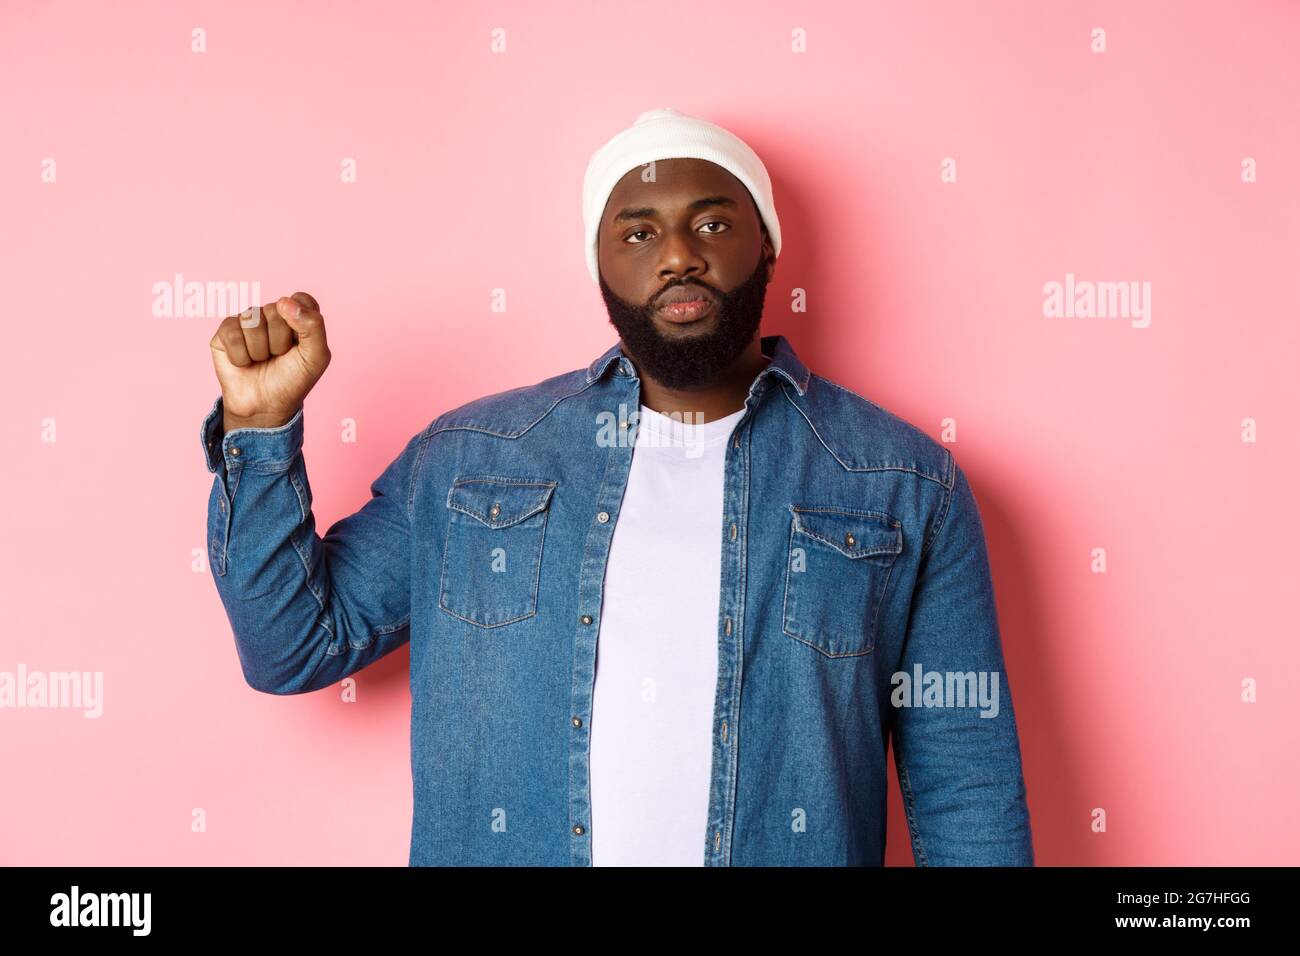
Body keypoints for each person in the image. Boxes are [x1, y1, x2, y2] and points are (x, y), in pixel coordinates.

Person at [201, 107, 1034, 867]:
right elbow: (291, 646)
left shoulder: (906, 482)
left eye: (712, 222)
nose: (678, 255)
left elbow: (967, 787)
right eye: (637, 234)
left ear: (769, 244)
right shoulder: (472, 460)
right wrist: (260, 430)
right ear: (597, 265)